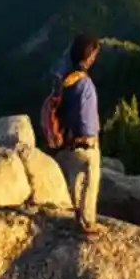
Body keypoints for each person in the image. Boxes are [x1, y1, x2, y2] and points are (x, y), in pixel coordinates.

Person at [54, 33, 102, 234]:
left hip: (64, 141)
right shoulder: (85, 85)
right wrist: (91, 139)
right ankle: (87, 222)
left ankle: (73, 216)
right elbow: (87, 121)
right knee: (90, 180)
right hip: (83, 144)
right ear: (88, 58)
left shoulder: (63, 76)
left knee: (73, 181)